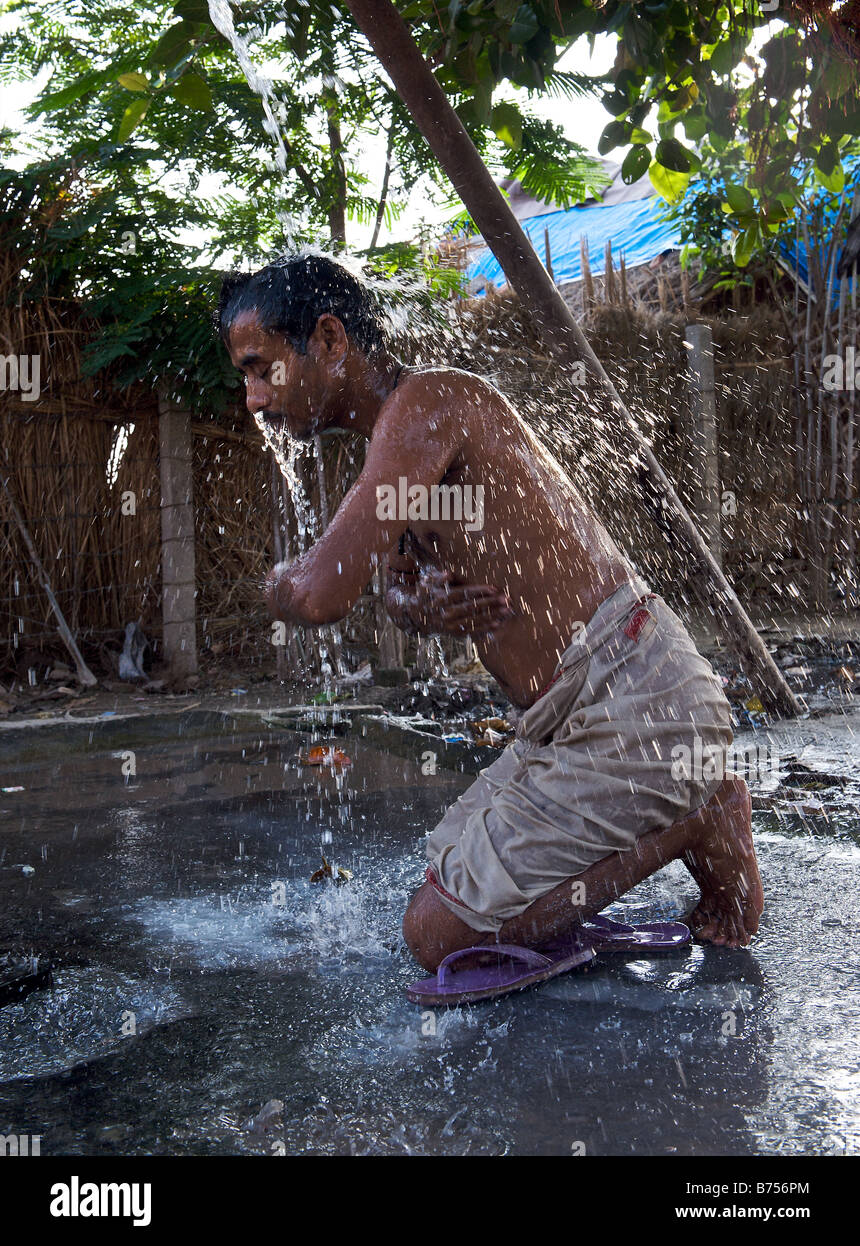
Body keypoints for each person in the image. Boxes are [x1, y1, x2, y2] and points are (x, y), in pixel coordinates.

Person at [219, 252, 763, 974]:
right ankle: (691, 804)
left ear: (326, 340)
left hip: (636, 698)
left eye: (261, 369)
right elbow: (394, 588)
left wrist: (273, 584)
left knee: (439, 939)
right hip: (567, 724)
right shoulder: (400, 442)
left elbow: (320, 593)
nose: (253, 399)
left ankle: (698, 812)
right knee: (442, 883)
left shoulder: (431, 405)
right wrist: (418, 605)